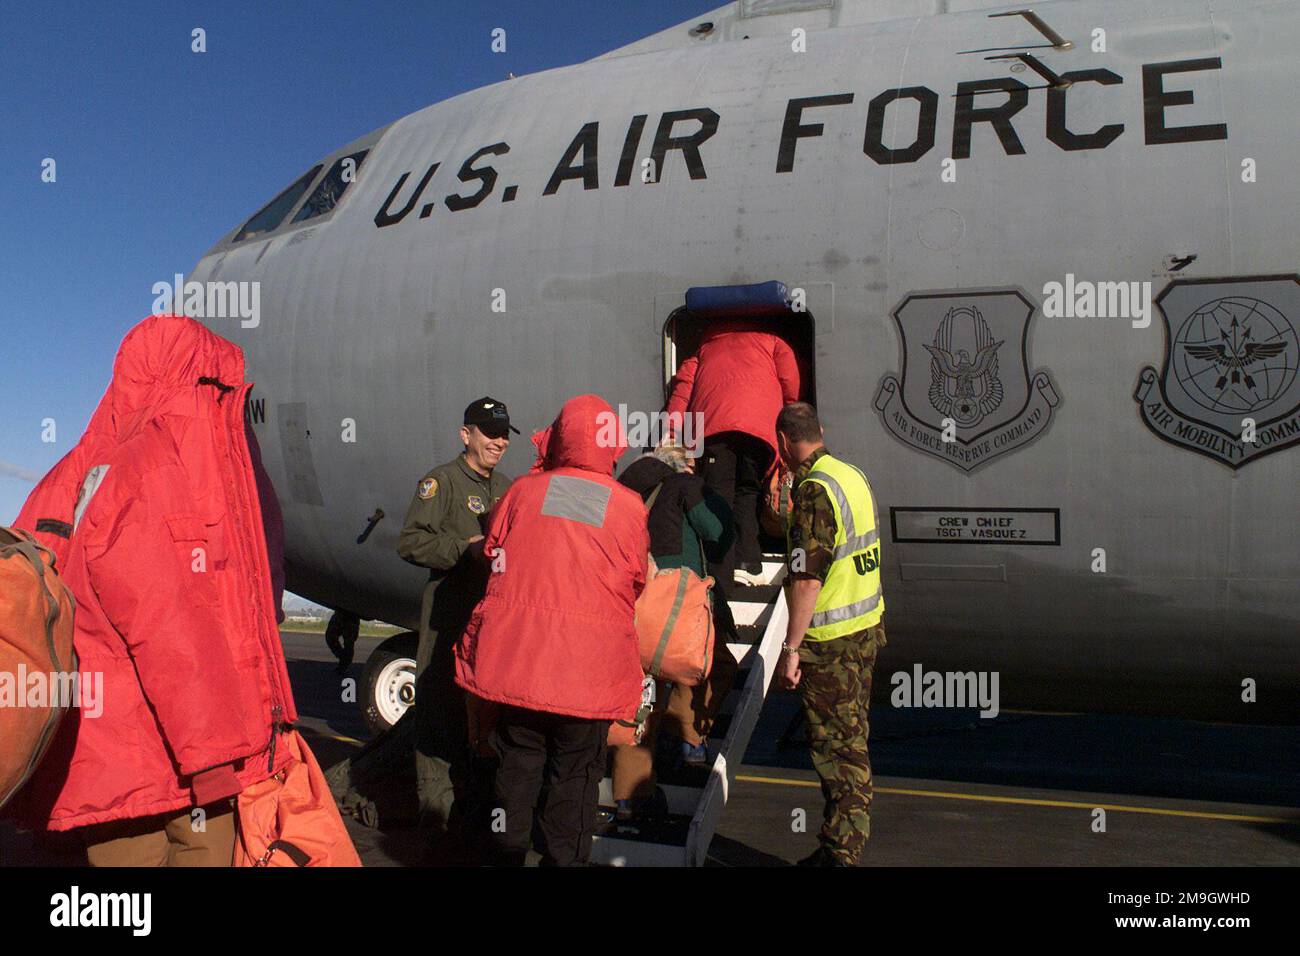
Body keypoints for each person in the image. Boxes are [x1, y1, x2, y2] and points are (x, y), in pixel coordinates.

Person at [12, 313, 296, 866]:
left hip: (97, 751)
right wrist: (215, 760)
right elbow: (172, 627)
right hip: (175, 759)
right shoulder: (157, 470)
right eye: (213, 387)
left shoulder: (68, 473)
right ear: (195, 382)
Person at [455, 394, 648, 866]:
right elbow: (637, 579)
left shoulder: (522, 491)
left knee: (516, 770)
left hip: (522, 667)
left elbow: (491, 550)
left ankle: (504, 854)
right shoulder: (627, 506)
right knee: (576, 783)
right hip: (588, 678)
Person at [396, 396, 515, 856]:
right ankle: (436, 825)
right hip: (449, 616)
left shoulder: (508, 487)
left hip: (492, 623)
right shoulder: (441, 482)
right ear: (465, 435)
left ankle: (476, 817)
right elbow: (410, 541)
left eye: (504, 433)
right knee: (439, 712)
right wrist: (460, 547)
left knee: (484, 718)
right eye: (489, 432)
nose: (499, 441)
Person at [774, 402, 887, 868]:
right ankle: (837, 846)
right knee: (852, 739)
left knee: (839, 752)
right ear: (820, 430)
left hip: (832, 645)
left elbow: (807, 579)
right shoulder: (851, 475)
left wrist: (791, 648)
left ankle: (841, 855)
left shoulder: (814, 491)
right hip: (864, 632)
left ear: (783, 442)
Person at [616, 442, 735, 808]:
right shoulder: (684, 485)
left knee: (639, 704)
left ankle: (628, 799)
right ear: (682, 463)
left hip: (632, 605)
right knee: (718, 666)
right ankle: (689, 734)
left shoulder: (623, 491)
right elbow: (717, 531)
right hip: (677, 608)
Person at [665, 320, 801, 591]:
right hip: (760, 434)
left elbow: (682, 389)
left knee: (718, 501)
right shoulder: (773, 342)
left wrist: (670, 431)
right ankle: (750, 565)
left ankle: (719, 577)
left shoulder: (703, 349)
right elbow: (790, 384)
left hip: (714, 432)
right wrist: (792, 420)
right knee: (748, 495)